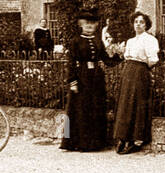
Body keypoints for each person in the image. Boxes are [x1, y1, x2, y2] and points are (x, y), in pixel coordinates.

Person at [61, 8, 117, 152]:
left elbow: (106, 59)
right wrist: (72, 82)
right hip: (82, 77)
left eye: (92, 23)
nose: (90, 26)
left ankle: (96, 143)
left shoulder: (98, 40)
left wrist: (120, 57)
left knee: (96, 108)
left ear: (96, 25)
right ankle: (78, 143)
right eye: (87, 23)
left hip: (96, 78)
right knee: (80, 109)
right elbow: (71, 62)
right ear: (81, 24)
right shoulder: (75, 41)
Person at [107, 11, 159, 154]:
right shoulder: (130, 41)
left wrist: (142, 67)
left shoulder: (150, 40)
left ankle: (137, 140)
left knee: (137, 104)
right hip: (128, 72)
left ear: (146, 25)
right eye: (136, 22)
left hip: (140, 72)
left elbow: (153, 60)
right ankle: (123, 137)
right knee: (125, 104)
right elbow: (126, 57)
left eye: (141, 22)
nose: (138, 24)